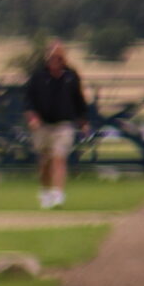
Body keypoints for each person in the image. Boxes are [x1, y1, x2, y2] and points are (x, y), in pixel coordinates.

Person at [23, 40, 92, 210]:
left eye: (60, 58)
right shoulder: (38, 76)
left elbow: (79, 100)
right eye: (54, 57)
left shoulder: (71, 76)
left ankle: (58, 194)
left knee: (59, 157)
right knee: (45, 161)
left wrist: (83, 121)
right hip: (43, 125)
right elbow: (28, 101)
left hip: (64, 124)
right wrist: (32, 117)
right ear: (48, 58)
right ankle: (45, 191)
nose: (57, 61)